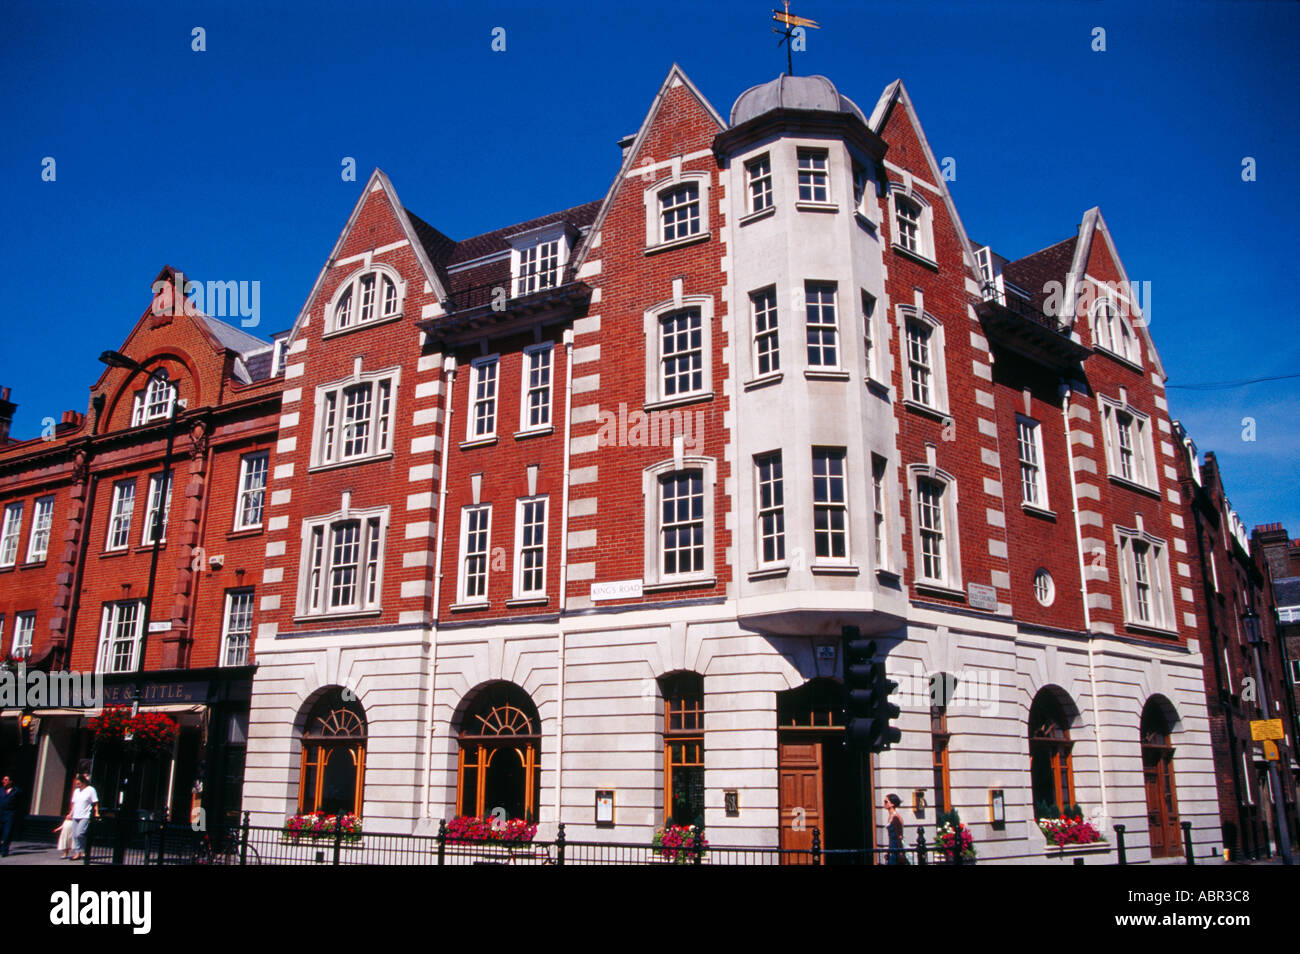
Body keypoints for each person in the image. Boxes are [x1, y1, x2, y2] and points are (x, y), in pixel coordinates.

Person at [67, 774, 99, 861]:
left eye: (79, 783)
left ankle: (84, 850)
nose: (78, 785)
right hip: (75, 815)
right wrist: (70, 813)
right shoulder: (76, 791)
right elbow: (74, 804)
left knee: (79, 833)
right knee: (75, 835)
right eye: (77, 784)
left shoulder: (91, 790)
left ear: (84, 782)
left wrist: (96, 812)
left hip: (85, 815)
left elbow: (95, 802)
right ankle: (78, 853)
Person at [0, 775, 20, 857]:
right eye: (3, 780)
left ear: (10, 781)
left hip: (10, 814)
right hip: (0, 813)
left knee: (7, 833)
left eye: (6, 780)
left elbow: (20, 803)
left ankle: (4, 850)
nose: (3, 781)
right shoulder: (1, 790)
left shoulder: (16, 791)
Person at [884, 792, 907, 865]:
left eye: (886, 802)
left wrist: (900, 853)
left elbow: (899, 835)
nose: (884, 803)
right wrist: (888, 851)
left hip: (896, 849)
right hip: (892, 848)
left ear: (892, 804)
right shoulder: (891, 816)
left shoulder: (895, 817)